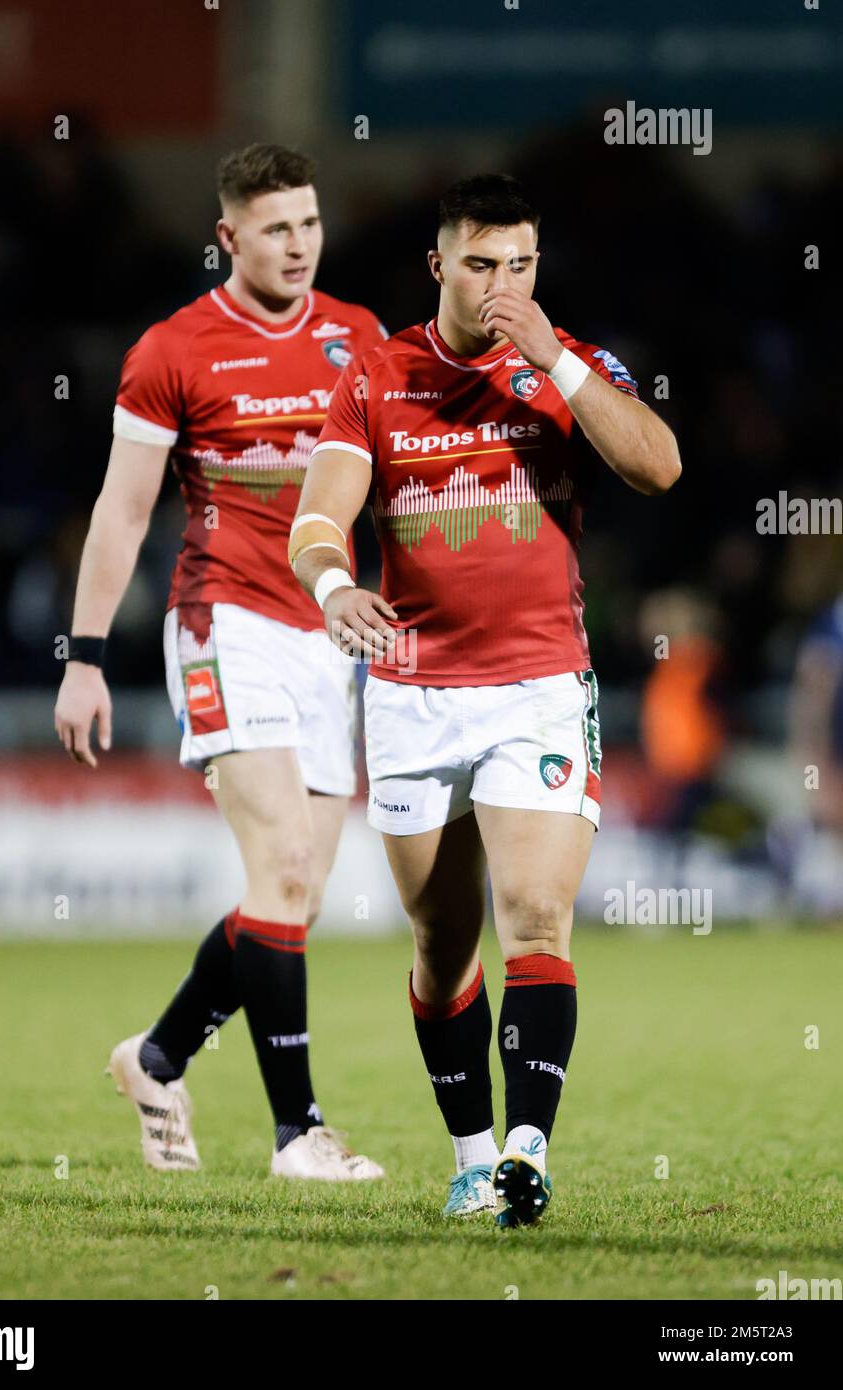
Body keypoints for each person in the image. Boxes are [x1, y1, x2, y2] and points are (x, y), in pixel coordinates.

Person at [290, 173, 681, 1225]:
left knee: (538, 913)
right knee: (439, 941)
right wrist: (333, 588)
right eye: (480, 263)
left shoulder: (571, 366)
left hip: (539, 687)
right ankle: (469, 1151)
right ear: (438, 266)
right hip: (414, 696)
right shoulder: (377, 372)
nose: (502, 283)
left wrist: (551, 358)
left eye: (520, 263)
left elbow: (660, 466)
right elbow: (318, 519)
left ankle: (525, 1147)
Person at [54, 144, 386, 1181]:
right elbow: (122, 507)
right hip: (222, 621)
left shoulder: (360, 339)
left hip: (326, 636)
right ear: (228, 236)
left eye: (310, 223)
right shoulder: (175, 350)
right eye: (276, 227)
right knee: (282, 866)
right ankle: (299, 1133)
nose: (298, 244)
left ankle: (156, 1058)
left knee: (296, 896)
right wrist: (85, 655)